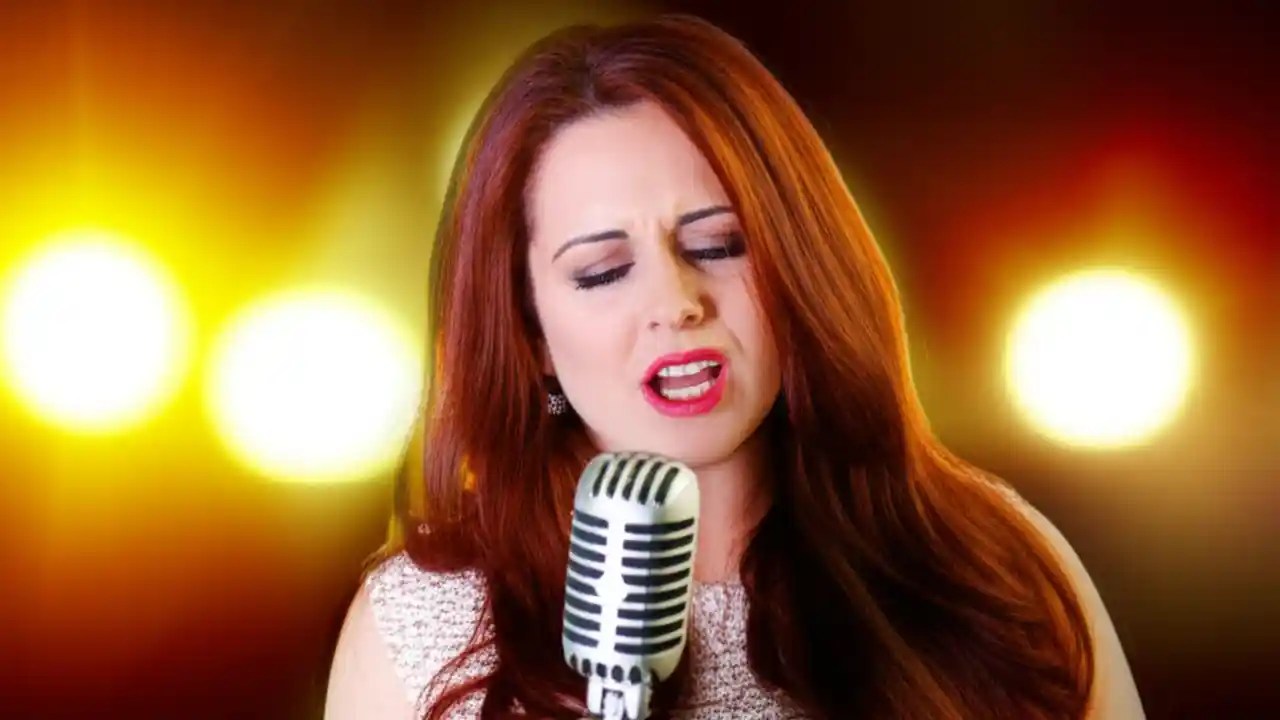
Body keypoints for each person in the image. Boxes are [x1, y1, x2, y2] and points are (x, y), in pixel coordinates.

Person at [325, 13, 1144, 720]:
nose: (678, 301)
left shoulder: (993, 562)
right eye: (604, 271)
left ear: (799, 265)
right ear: (529, 329)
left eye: (718, 245)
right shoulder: (425, 625)